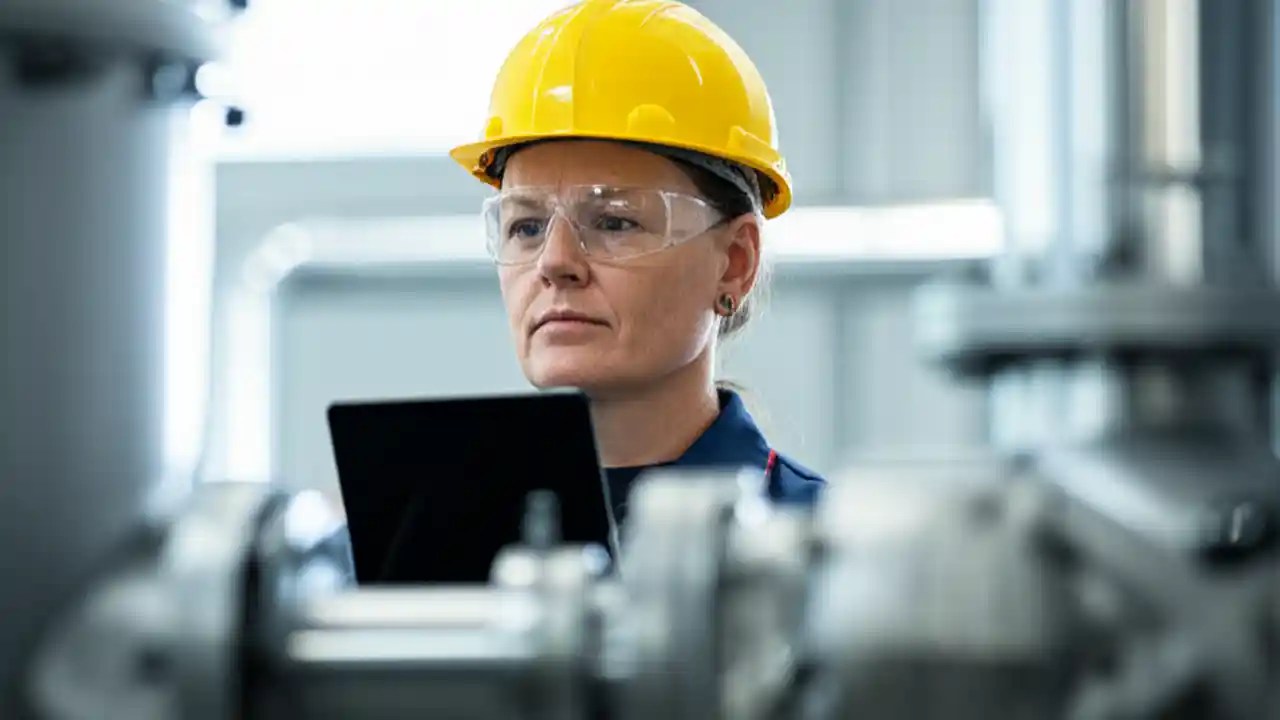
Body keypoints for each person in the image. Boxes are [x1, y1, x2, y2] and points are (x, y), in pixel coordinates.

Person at [450, 0, 824, 524]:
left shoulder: (824, 550)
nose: (555, 263)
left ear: (734, 263)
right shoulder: (433, 535)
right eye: (526, 227)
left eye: (614, 222)